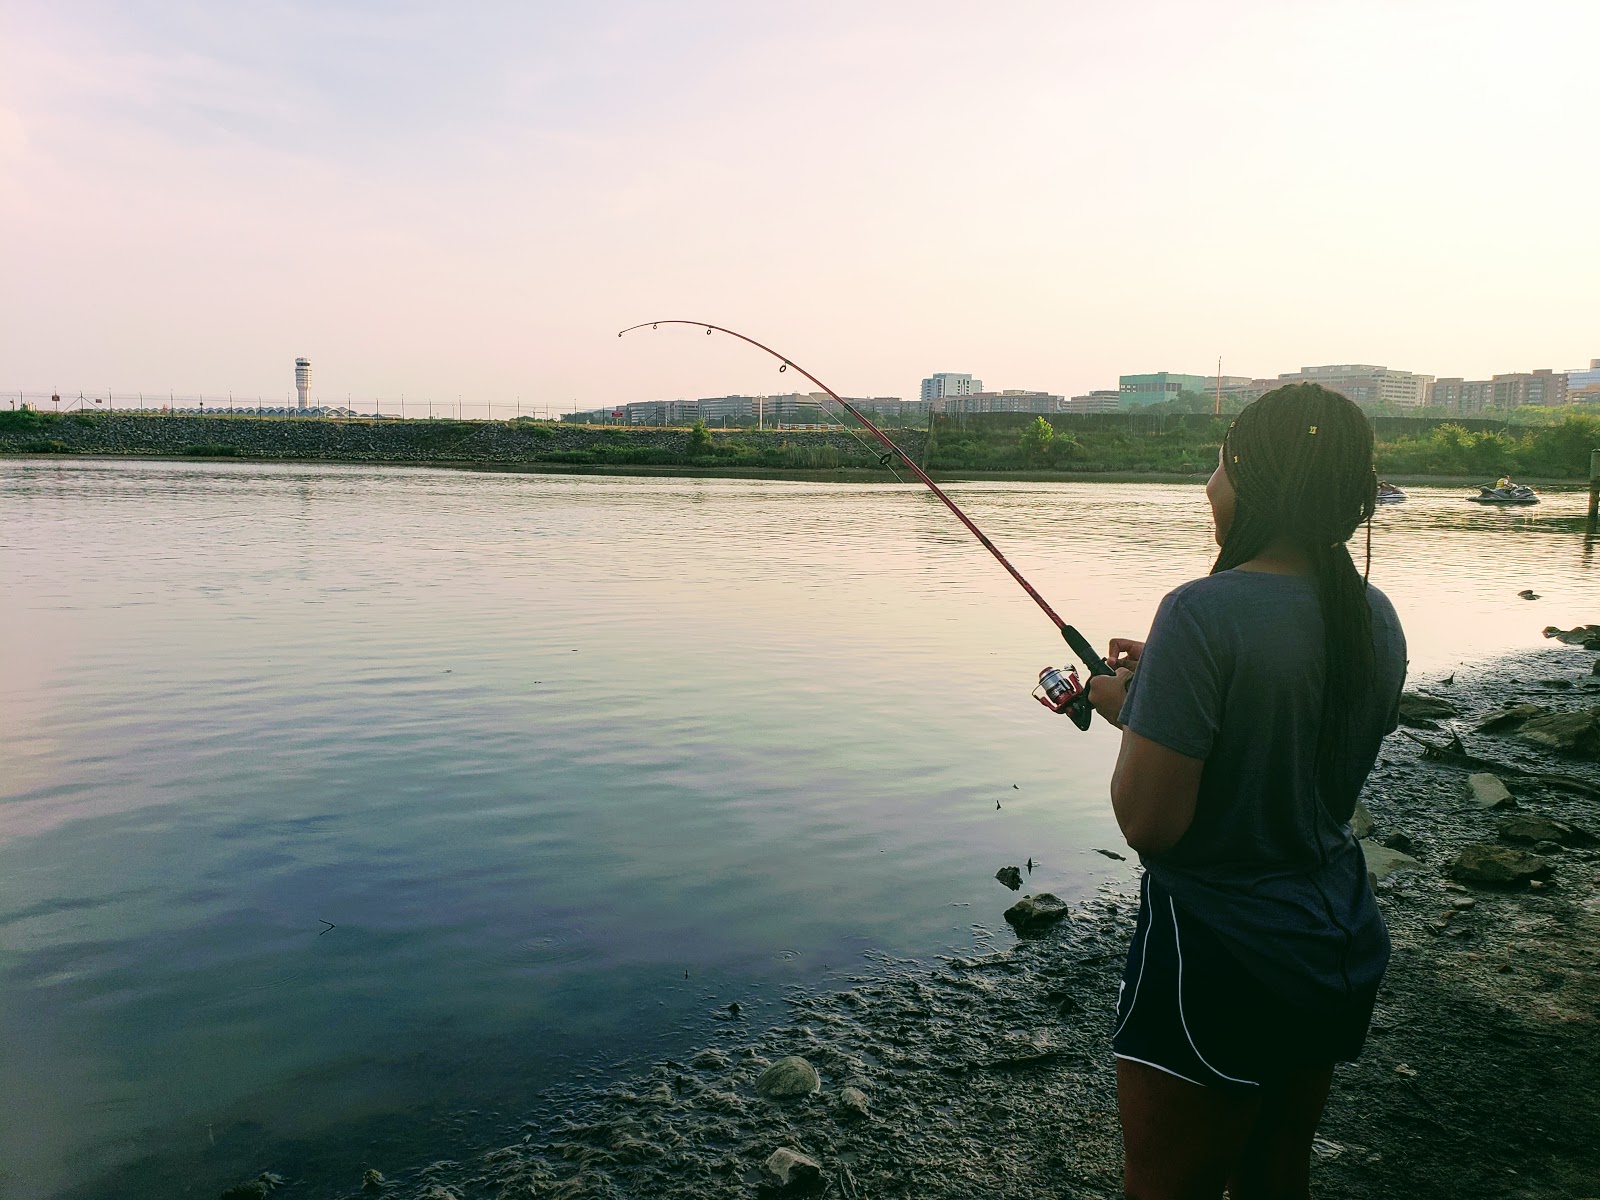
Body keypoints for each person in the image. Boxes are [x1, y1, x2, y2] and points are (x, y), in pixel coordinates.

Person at [1086, 383, 1407, 1200]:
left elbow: (1152, 824)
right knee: (1274, 1178)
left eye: (1219, 461)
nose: (1209, 483)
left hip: (1217, 953)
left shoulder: (1201, 612)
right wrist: (1168, 694)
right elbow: (1291, 752)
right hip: (1330, 939)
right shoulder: (1374, 614)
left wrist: (1134, 708)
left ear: (1250, 477)